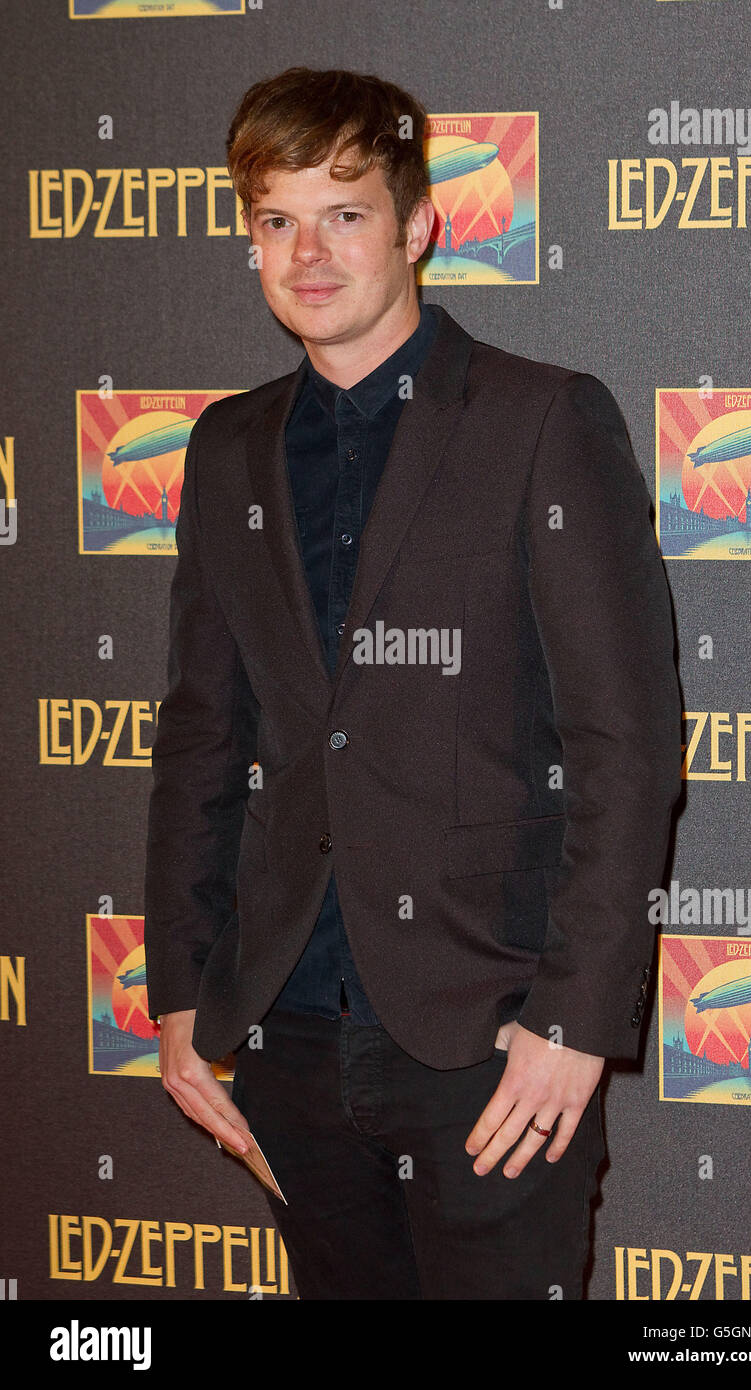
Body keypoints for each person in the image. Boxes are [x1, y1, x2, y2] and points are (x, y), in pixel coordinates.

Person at [144, 66, 682, 1300]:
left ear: (420, 225)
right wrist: (180, 988)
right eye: (276, 219)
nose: (308, 252)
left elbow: (627, 745)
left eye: (344, 213)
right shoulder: (227, 445)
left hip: (488, 1040)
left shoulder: (541, 421)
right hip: (288, 1029)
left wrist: (576, 1022)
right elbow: (201, 742)